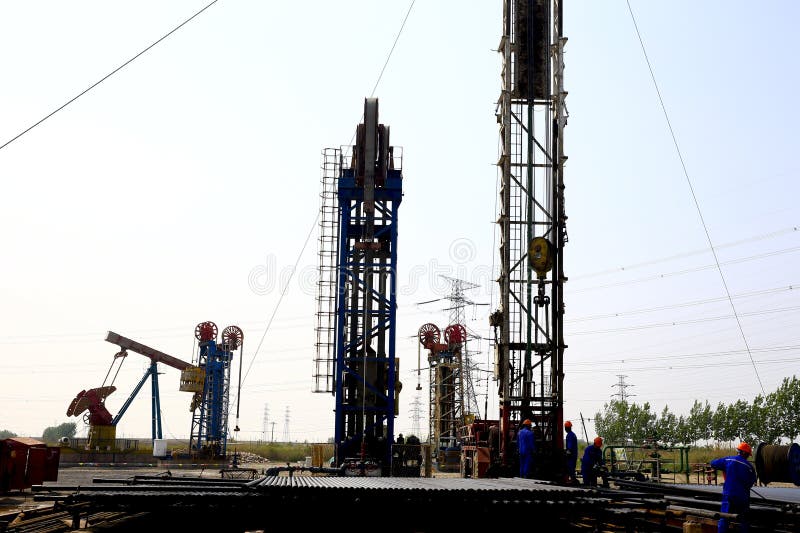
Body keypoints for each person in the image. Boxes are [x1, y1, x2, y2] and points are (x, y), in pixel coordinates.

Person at [709, 442, 757, 533]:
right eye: (747, 454)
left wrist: (723, 468)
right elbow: (752, 482)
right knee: (744, 519)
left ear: (739, 451)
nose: (747, 456)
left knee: (724, 517)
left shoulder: (728, 459)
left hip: (729, 494)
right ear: (744, 453)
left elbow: (713, 463)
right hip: (743, 497)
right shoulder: (750, 467)